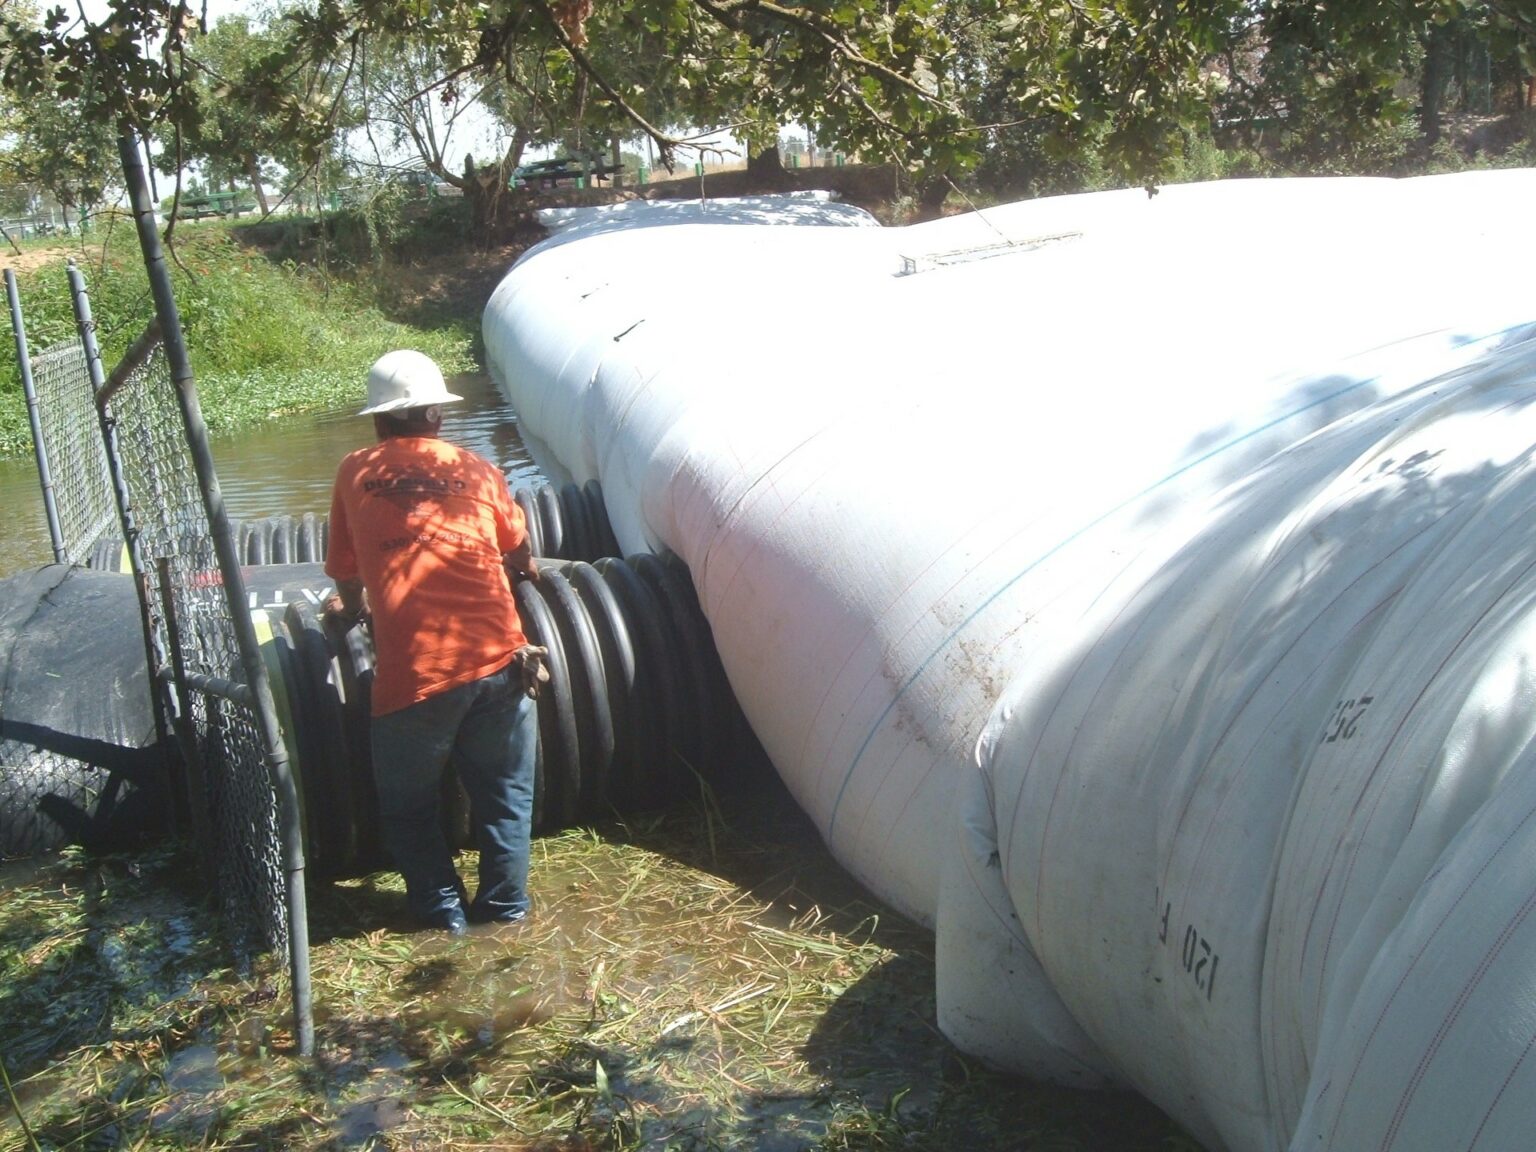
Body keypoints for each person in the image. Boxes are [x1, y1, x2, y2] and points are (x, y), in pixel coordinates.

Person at [323, 349, 547, 935]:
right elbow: (518, 549)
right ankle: (503, 914)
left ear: (378, 420)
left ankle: (442, 916)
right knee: (505, 797)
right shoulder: (479, 469)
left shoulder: (354, 471)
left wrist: (349, 609)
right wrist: (526, 567)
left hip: (414, 678)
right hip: (503, 660)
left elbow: (346, 573)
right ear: (438, 417)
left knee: (407, 805)